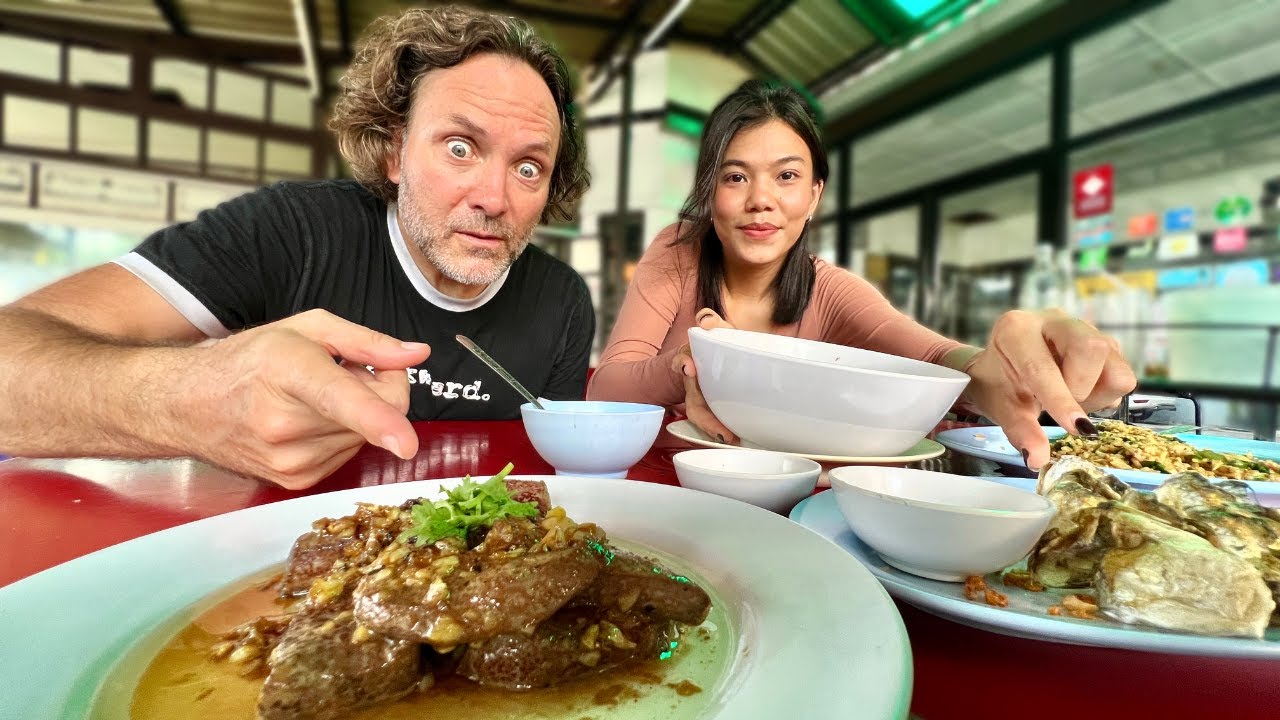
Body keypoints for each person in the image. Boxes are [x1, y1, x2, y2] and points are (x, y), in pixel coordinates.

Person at [0, 6, 594, 489]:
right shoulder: (292, 231)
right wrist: (193, 397)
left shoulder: (562, 301)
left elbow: (555, 478)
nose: (493, 198)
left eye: (528, 167)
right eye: (460, 147)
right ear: (395, 152)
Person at [586, 80, 1135, 470]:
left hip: (803, 498)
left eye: (786, 176)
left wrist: (1012, 365)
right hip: (680, 485)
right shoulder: (679, 251)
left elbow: (939, 360)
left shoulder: (831, 291)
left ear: (814, 195)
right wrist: (696, 356)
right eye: (735, 177)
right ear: (711, 193)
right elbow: (607, 387)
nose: (761, 201)